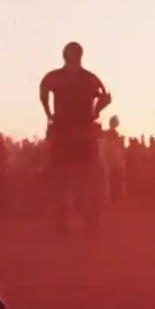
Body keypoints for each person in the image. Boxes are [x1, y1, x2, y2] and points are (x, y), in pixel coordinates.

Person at [39, 41, 112, 234]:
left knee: (64, 179)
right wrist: (96, 111)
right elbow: (105, 97)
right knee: (87, 179)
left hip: (65, 133)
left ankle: (65, 221)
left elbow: (43, 92)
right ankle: (89, 221)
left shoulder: (55, 77)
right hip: (82, 134)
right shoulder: (90, 79)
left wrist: (50, 115)